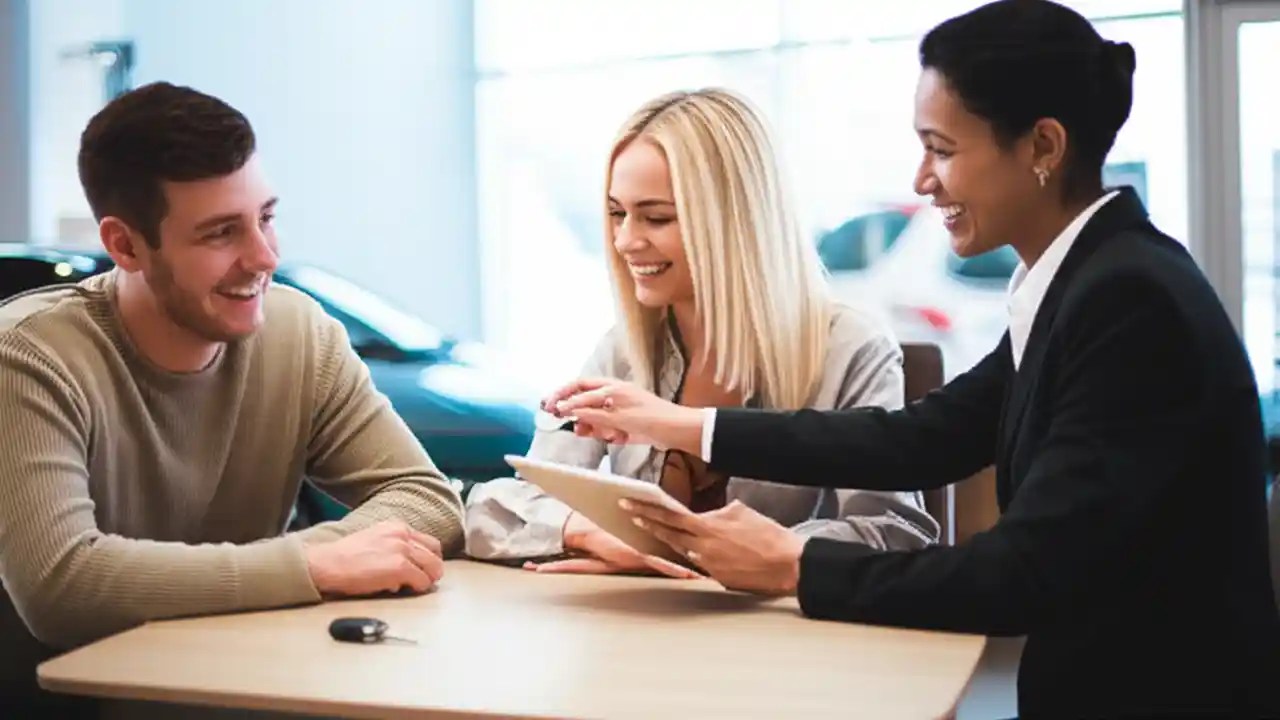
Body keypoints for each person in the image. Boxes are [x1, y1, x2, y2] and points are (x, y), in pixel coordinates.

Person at [543, 2, 1280, 717]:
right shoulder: (1083, 283)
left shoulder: (1127, 302)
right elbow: (917, 439)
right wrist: (690, 426)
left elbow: (1023, 571)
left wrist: (795, 566)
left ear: (1043, 149)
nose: (923, 180)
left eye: (943, 149)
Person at [0, 82, 464, 710]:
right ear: (126, 245)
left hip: (242, 689)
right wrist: (315, 565)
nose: (264, 257)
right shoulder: (28, 356)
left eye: (266, 217)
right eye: (221, 234)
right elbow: (64, 586)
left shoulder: (300, 333)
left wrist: (311, 562)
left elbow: (427, 502)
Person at [465, 88, 938, 576]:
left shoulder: (851, 347)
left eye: (657, 217)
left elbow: (893, 531)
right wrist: (588, 535)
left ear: (736, 221)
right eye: (615, 213)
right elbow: (493, 509)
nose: (625, 240)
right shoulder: (624, 349)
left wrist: (726, 556)